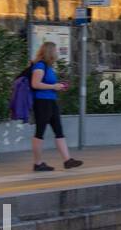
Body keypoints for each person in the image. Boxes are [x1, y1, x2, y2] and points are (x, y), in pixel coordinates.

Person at [29, 42, 83, 173]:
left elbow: (46, 83)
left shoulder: (48, 66)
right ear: (50, 52)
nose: (57, 53)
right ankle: (38, 163)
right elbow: (35, 84)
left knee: (59, 130)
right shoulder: (40, 65)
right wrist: (54, 86)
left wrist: (58, 86)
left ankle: (67, 160)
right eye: (55, 50)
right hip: (42, 102)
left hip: (51, 101)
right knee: (39, 132)